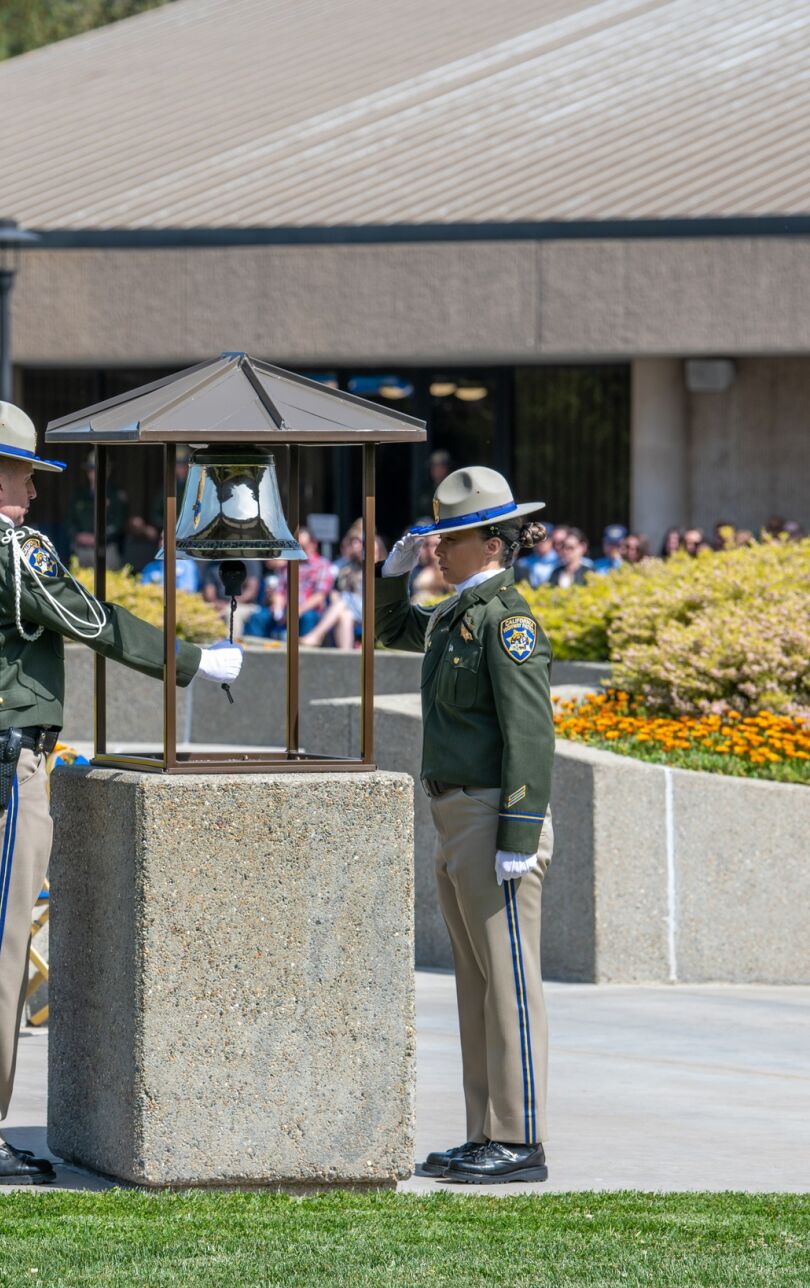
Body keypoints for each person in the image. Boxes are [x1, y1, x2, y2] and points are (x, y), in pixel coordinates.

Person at [0, 400, 240, 1186]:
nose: (32, 493)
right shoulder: (8, 548)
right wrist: (191, 661)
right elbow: (89, 619)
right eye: (22, 477)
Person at [376, 466, 555, 1185]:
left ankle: (520, 1139)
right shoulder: (461, 613)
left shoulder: (507, 622)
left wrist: (518, 836)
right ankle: (487, 1131)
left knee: (508, 981)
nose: (435, 550)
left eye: (447, 539)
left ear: (490, 544)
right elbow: (392, 628)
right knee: (476, 984)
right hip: (456, 812)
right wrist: (392, 574)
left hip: (490, 816)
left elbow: (530, 735)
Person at [68, 452, 129, 569]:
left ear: (108, 471)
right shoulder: (78, 494)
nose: (94, 473)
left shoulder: (116, 495)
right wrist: (77, 535)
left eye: (99, 469)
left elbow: (119, 522)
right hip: (81, 548)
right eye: (91, 469)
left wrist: (101, 536)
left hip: (107, 548)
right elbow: (70, 519)